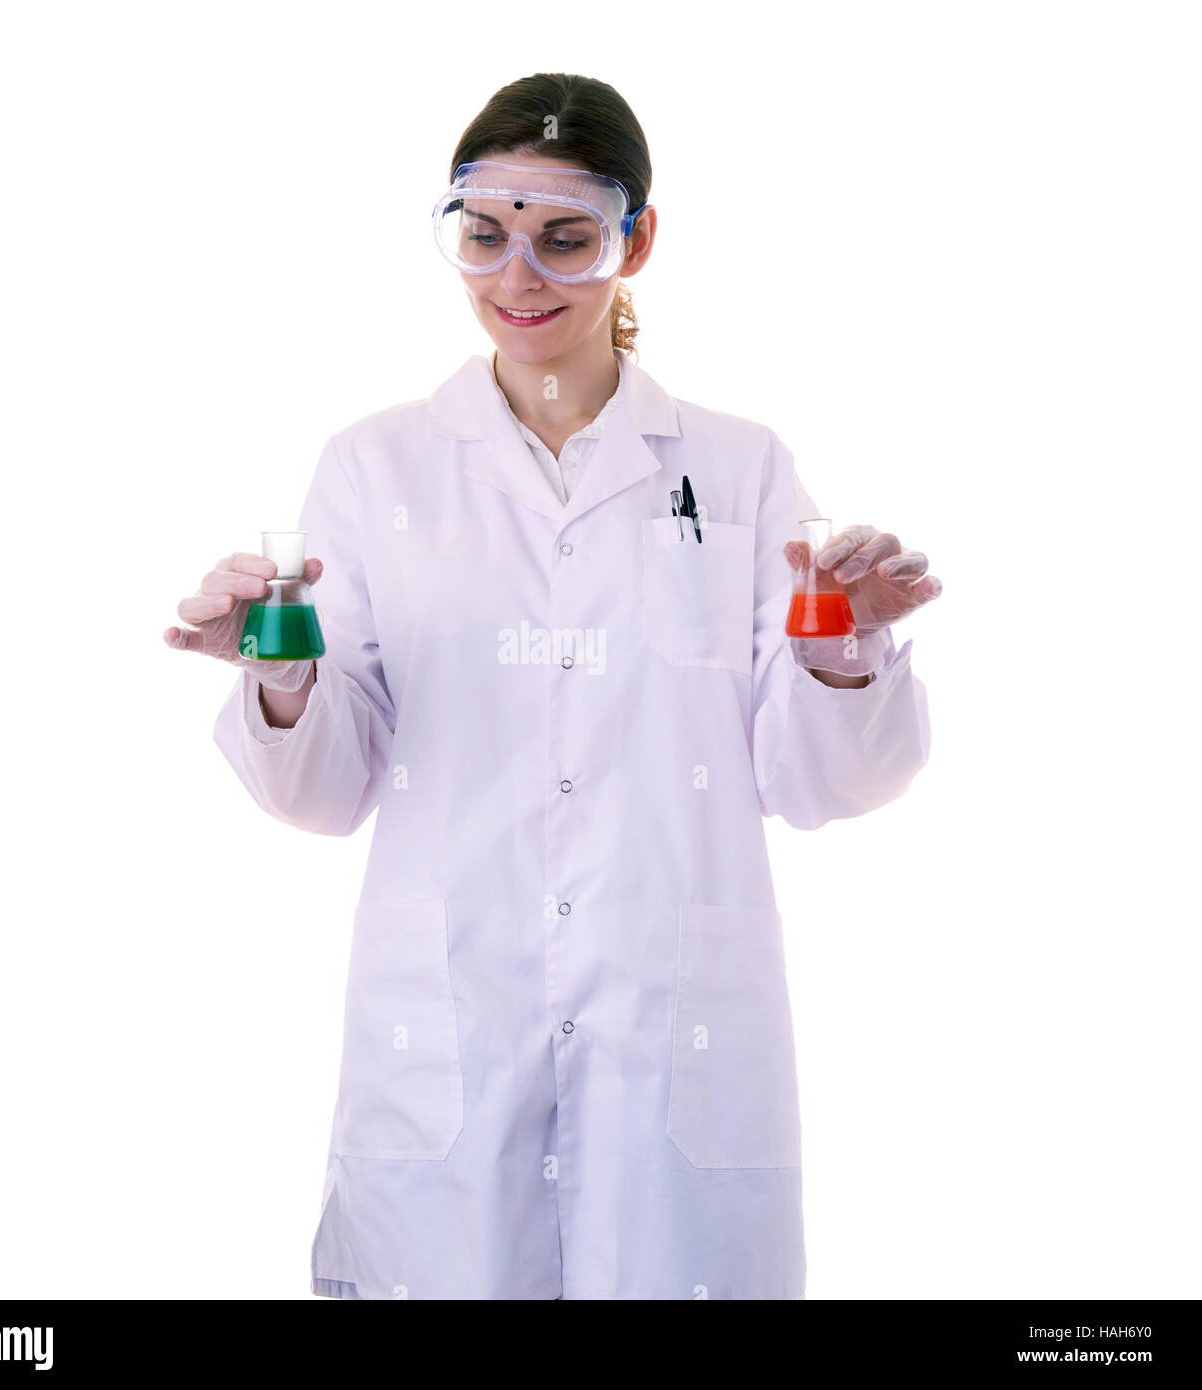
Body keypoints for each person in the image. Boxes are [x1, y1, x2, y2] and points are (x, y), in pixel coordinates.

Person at [165, 72, 939, 1300]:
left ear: (636, 241)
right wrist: (284, 677)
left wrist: (843, 653)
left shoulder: (737, 471)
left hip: (672, 1051)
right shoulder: (374, 468)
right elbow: (325, 793)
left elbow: (816, 781)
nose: (517, 277)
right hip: (447, 1041)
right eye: (484, 234)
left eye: (564, 238)